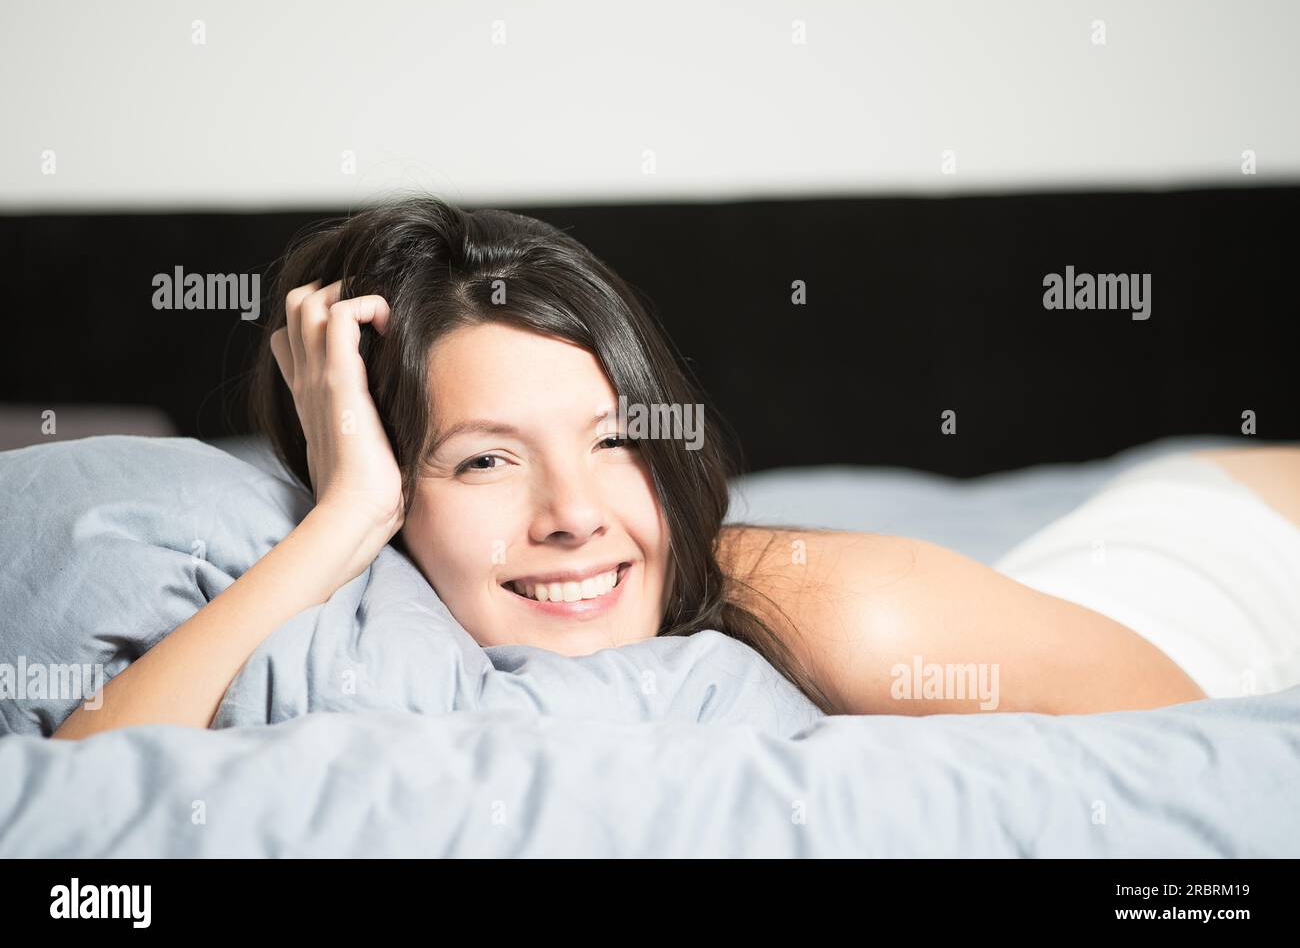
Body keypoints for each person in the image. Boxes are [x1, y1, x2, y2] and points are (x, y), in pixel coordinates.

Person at [52, 196, 1300, 738]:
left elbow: (1208, 728)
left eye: (614, 441)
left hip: (1233, 565)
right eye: (485, 461)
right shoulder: (366, 601)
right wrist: (344, 518)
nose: (578, 519)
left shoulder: (837, 614)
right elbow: (83, 798)